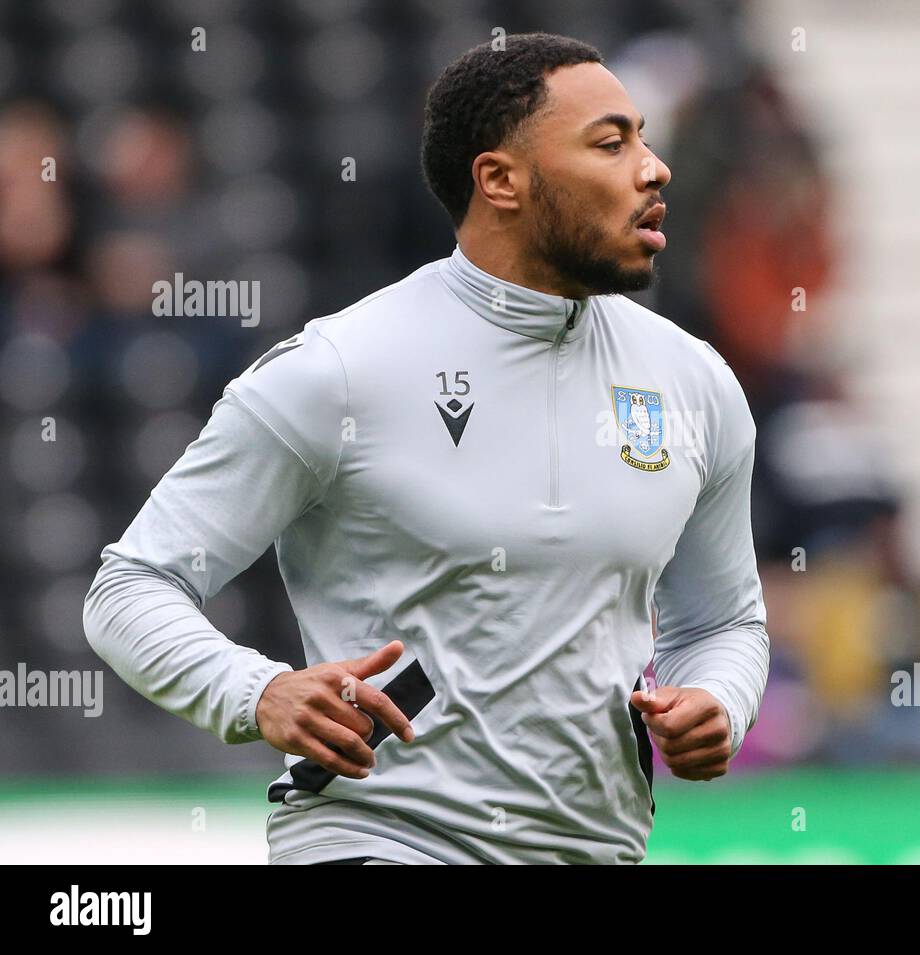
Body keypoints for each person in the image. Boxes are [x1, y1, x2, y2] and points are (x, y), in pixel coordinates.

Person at [82, 32, 769, 865]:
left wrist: (719, 700)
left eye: (645, 139)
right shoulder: (341, 370)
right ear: (499, 180)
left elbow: (724, 618)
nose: (653, 168)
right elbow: (131, 586)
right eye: (611, 143)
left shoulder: (694, 381)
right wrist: (257, 690)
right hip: (380, 840)